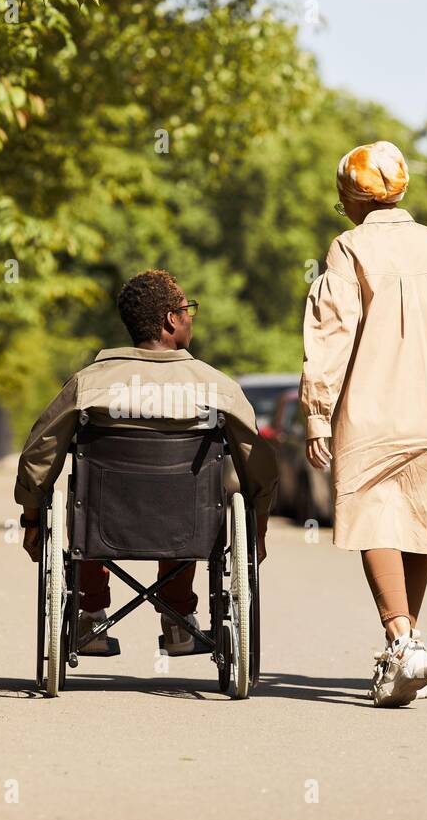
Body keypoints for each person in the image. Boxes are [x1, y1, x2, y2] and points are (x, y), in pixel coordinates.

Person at [302, 141, 427, 707]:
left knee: (380, 522)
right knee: (420, 525)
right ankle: (408, 646)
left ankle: (402, 642)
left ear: (354, 200)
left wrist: (316, 412)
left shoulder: (348, 248)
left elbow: (332, 332)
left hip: (373, 410)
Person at [16, 269, 277, 656]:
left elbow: (39, 456)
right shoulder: (217, 387)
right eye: (187, 309)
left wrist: (33, 517)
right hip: (187, 525)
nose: (191, 316)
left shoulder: (89, 384)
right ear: (171, 319)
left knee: (85, 494)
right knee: (194, 500)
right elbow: (258, 466)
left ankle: (90, 614)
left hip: (105, 520)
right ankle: (177, 619)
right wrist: (259, 524)